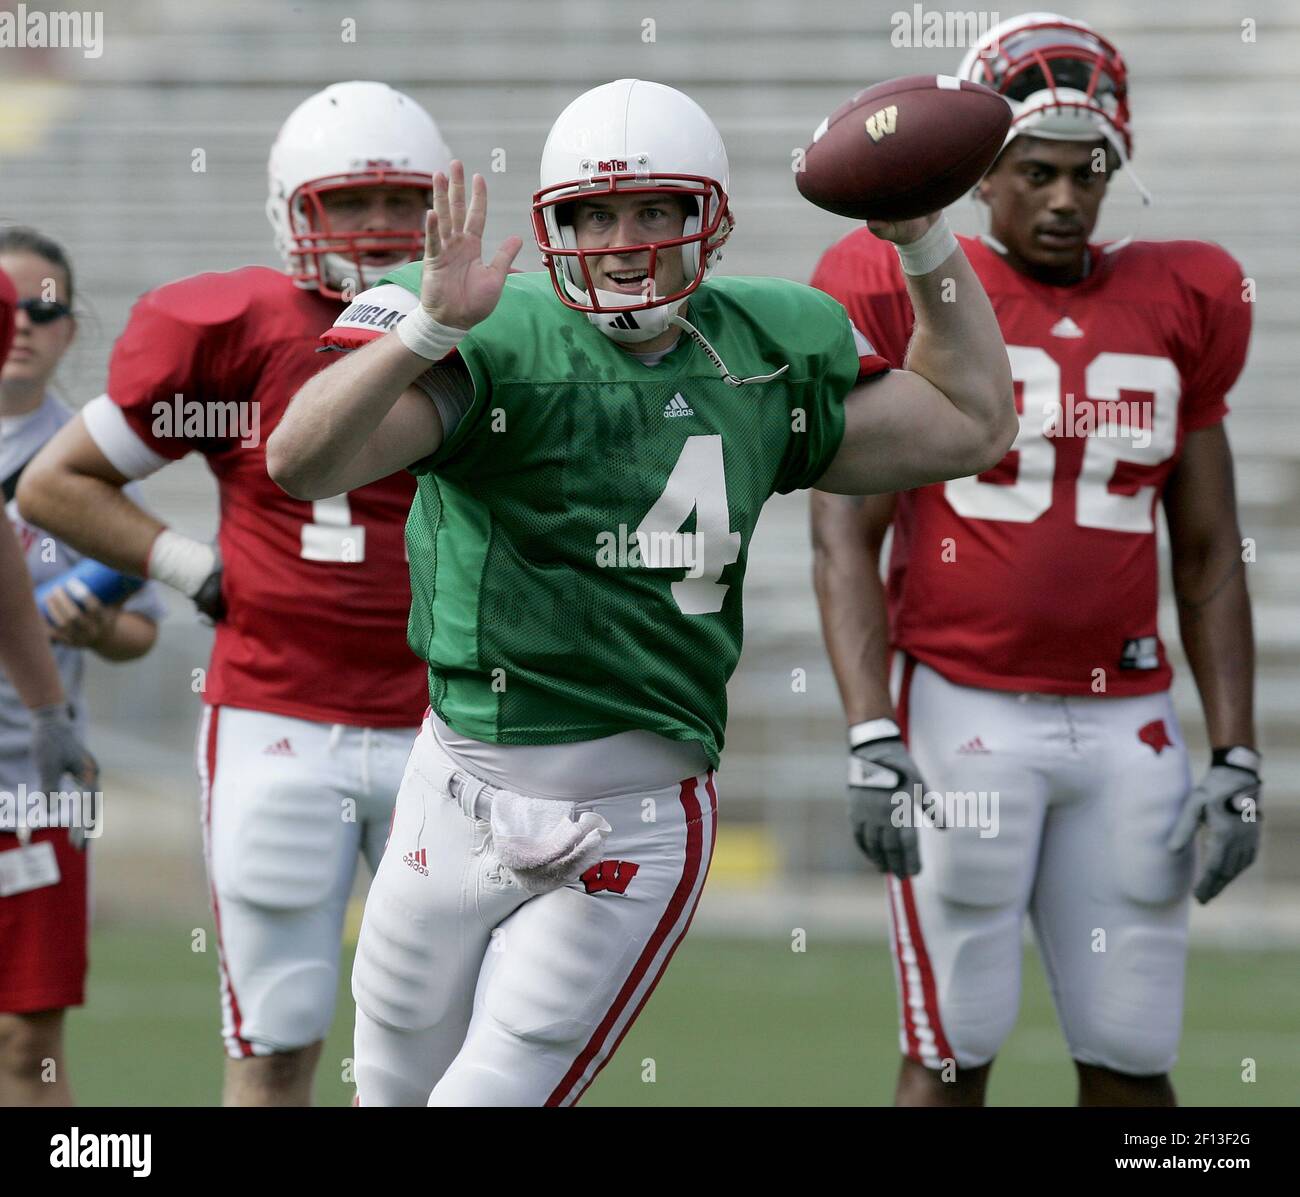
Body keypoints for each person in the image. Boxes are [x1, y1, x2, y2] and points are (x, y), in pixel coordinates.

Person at [267, 77, 1015, 1106]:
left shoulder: (763, 345)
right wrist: (425, 332)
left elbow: (969, 424)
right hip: (454, 786)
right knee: (385, 1092)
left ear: (705, 220)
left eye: (651, 210)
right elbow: (303, 465)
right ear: (552, 223)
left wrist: (923, 239)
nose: (620, 242)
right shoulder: (496, 338)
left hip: (629, 817)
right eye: (591, 213)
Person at [809, 14, 1258, 1107]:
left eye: (1088, 172)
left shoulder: (1183, 294)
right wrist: (870, 730)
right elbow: (843, 532)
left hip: (1129, 724)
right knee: (953, 1047)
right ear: (980, 174)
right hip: (963, 709)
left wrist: (1236, 755)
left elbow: (1205, 555)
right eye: (1036, 171)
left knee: (1133, 1053)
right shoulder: (911, 281)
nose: (1065, 197)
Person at [17, 83, 451, 1106]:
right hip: (279, 716)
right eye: (350, 203)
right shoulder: (238, 328)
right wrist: (193, 568)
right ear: (294, 209)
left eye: (401, 201)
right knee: (278, 1041)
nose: (380, 229)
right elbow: (54, 484)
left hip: (451, 722)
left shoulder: (485, 325)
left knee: (440, 1054)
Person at [0, 233, 158, 1106]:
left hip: (33, 777)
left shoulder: (91, 457)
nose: (22, 325)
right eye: (7, 308)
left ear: (70, 329)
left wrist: (98, 627)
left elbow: (141, 627)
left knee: (29, 1043)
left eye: (45, 308)